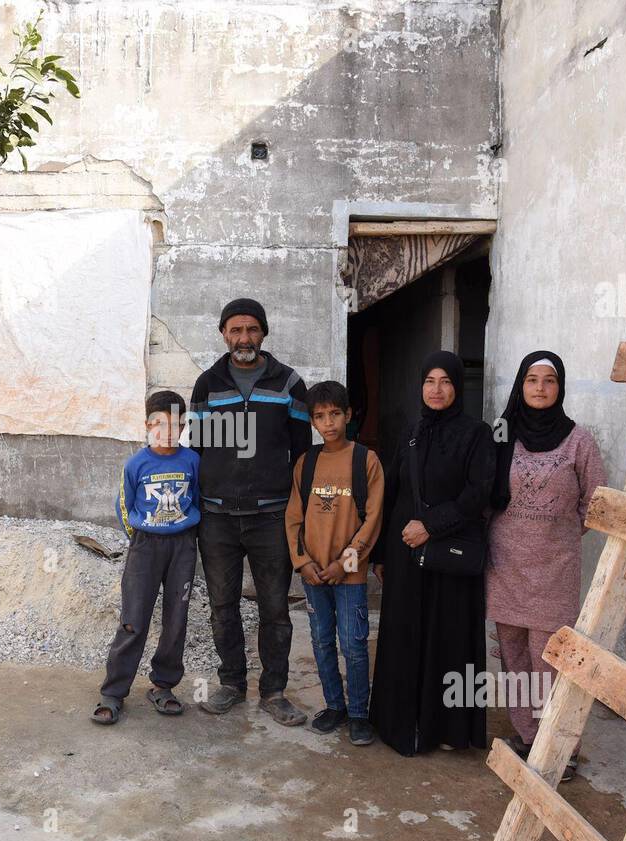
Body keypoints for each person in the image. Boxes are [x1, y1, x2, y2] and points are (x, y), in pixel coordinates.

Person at [190, 298, 312, 726]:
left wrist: (300, 515)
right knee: (222, 605)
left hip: (271, 516)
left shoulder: (289, 383)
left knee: (275, 608)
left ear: (264, 333)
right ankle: (231, 684)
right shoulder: (208, 384)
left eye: (252, 330)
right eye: (235, 330)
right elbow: (199, 449)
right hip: (217, 518)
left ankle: (275, 691)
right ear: (223, 333)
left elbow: (302, 453)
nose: (244, 338)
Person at [487, 350, 606, 780]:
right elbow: (484, 488)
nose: (540, 388)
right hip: (505, 565)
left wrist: (557, 535)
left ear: (560, 388)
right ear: (521, 385)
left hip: (555, 568)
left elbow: (597, 505)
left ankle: (562, 747)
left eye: (549, 380)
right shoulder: (502, 433)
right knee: (515, 655)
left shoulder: (579, 441)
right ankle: (528, 735)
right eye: (532, 380)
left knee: (551, 658)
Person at [369, 351, 495, 756]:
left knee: (449, 636)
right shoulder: (412, 432)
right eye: (429, 381)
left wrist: (431, 526)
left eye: (445, 381)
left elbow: (478, 494)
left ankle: (446, 728)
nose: (436, 390)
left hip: (450, 554)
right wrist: (381, 555)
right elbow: (395, 493)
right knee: (404, 633)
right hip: (406, 552)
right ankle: (401, 723)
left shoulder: (476, 434)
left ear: (457, 387)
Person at [92, 390, 200, 725]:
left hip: (182, 546)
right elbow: (124, 506)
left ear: (184, 425)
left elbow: (198, 497)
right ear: (147, 425)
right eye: (160, 424)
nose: (168, 431)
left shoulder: (192, 461)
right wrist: (140, 537)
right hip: (145, 547)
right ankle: (113, 691)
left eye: (176, 424)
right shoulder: (136, 464)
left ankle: (162, 685)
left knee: (176, 618)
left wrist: (184, 532)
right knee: (133, 618)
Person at [285, 380, 384, 744]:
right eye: (320, 416)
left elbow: (373, 518)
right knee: (321, 641)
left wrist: (346, 563)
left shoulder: (365, 460)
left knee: (354, 644)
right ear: (312, 421)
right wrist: (303, 562)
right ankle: (334, 706)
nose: (329, 423)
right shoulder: (306, 463)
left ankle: (358, 713)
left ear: (348, 415)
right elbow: (293, 518)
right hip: (313, 575)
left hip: (350, 577)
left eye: (335, 414)